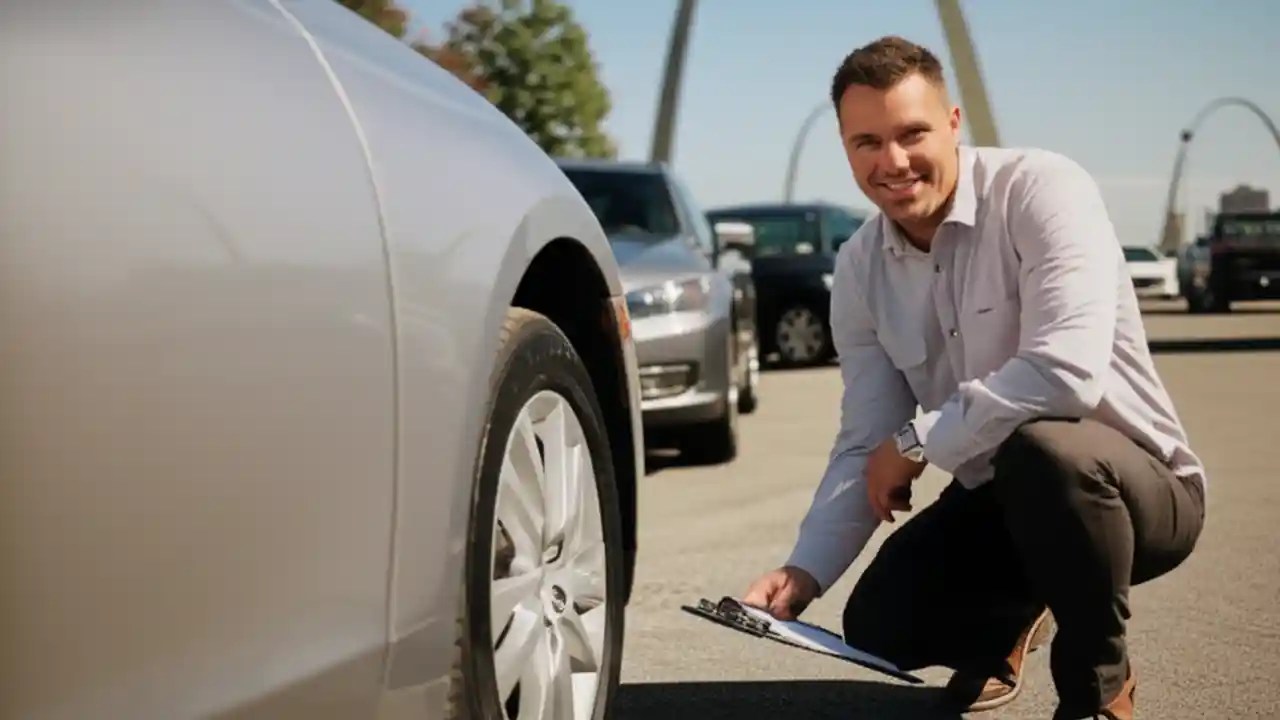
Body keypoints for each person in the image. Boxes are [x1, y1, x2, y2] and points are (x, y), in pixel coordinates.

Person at [742, 35, 1206, 720]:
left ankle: (1099, 686)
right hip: (1001, 498)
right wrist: (803, 570)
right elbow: (864, 437)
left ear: (954, 124)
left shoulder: (1043, 190)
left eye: (912, 133)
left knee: (1045, 452)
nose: (892, 162)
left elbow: (1065, 372)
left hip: (1133, 491)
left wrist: (917, 440)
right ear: (843, 145)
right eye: (865, 142)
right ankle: (1009, 624)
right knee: (881, 625)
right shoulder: (861, 269)